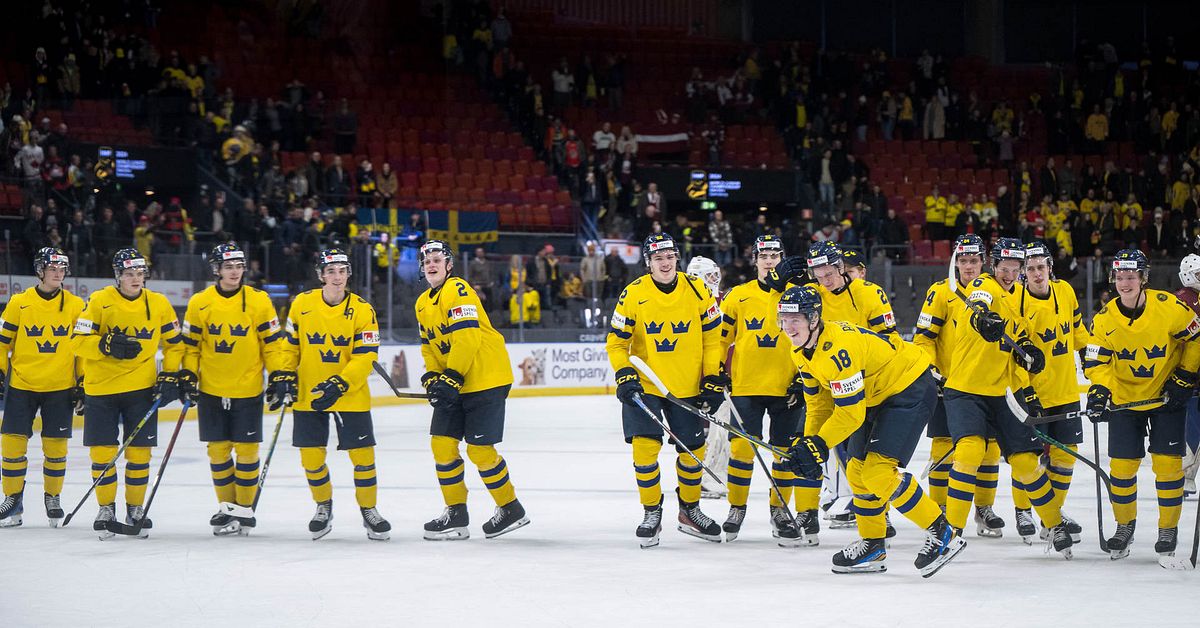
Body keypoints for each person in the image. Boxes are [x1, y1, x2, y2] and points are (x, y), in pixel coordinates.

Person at [779, 285, 963, 577]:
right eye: (783, 319)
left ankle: (944, 534)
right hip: (876, 396)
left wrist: (819, 444)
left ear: (814, 319)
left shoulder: (836, 349)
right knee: (856, 472)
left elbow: (850, 414)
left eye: (795, 319)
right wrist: (809, 444)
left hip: (908, 387)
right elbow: (818, 405)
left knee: (878, 473)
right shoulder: (800, 351)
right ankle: (873, 545)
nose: (788, 327)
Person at [939, 237, 1074, 558]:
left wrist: (1030, 353)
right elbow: (979, 304)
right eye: (1004, 267)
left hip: (1004, 394)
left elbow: (1022, 338)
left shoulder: (1021, 299)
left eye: (1016, 269)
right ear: (993, 265)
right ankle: (949, 534)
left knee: (1027, 463)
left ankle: (1054, 524)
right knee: (970, 451)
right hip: (966, 389)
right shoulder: (983, 285)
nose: (1010, 274)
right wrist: (981, 316)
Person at [768, 240, 898, 528]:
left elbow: (890, 341)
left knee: (861, 456)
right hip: (824, 384)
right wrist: (776, 281)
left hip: (868, 387)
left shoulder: (869, 293)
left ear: (841, 267)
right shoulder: (810, 295)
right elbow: (781, 320)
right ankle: (807, 512)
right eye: (818, 274)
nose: (825, 280)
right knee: (812, 444)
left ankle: (880, 512)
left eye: (829, 273)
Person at [607, 233, 725, 548]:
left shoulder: (697, 288)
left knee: (693, 452)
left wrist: (712, 377)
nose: (666, 262)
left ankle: (689, 510)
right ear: (648, 262)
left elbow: (713, 338)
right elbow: (616, 343)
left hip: (687, 386)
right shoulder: (633, 294)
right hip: (646, 386)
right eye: (658, 258)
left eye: (670, 256)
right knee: (644, 450)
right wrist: (624, 374)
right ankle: (651, 512)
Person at [1085, 249, 1200, 562]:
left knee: (1168, 467)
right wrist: (1098, 390)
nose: (1125, 282)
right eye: (1120, 277)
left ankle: (1168, 529)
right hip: (1125, 401)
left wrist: (1184, 377)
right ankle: (1125, 525)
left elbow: (1195, 338)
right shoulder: (1105, 318)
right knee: (1121, 469)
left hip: (1166, 398)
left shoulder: (1169, 308)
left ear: (1143, 278)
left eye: (1131, 276)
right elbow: (1096, 361)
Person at [415, 240, 528, 540]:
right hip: (456, 382)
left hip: (485, 378)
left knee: (479, 449)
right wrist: (432, 376)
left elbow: (467, 337)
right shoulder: (422, 303)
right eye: (426, 260)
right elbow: (428, 345)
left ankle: (510, 508)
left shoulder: (459, 289)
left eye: (437, 259)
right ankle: (456, 514)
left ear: (449, 265)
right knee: (442, 445)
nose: (431, 264)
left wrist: (450, 375)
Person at [71, 248, 185, 539]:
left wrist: (170, 373)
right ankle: (106, 507)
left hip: (141, 390)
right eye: (129, 274)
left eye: (140, 273)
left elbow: (175, 344)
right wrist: (105, 344)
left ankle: (135, 508)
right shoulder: (99, 301)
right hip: (101, 390)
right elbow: (76, 342)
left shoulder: (158, 303)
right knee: (102, 454)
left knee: (139, 454)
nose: (136, 279)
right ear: (118, 276)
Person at [278, 248, 388, 541]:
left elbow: (366, 357)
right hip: (309, 393)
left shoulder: (363, 309)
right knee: (311, 458)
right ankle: (323, 506)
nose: (337, 277)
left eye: (342, 271)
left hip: (349, 394)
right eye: (331, 272)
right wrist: (284, 374)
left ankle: (369, 510)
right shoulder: (301, 304)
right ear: (321, 275)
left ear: (348, 273)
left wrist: (340, 383)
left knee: (363, 457)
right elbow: (290, 346)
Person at [179, 243, 286, 536]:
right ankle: (227, 509)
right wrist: (187, 374)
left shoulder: (259, 301)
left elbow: (272, 344)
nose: (235, 272)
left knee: (248, 451)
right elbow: (191, 347)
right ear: (216, 269)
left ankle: (244, 508)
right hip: (212, 389)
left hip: (248, 389)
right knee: (217, 452)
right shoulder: (200, 302)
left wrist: (278, 375)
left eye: (239, 266)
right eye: (229, 267)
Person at [716, 236, 810, 545]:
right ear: (754, 259)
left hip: (788, 387)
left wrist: (804, 376)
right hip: (746, 386)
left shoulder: (800, 295)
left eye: (775, 255)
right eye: (764, 255)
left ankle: (779, 510)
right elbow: (719, 338)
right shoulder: (738, 296)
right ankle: (736, 508)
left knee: (785, 453)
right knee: (742, 450)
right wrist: (715, 372)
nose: (769, 260)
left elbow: (814, 339)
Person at [0, 248, 85, 528]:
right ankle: (13, 500)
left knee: (56, 448)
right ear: (40, 271)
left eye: (62, 268)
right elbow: (2, 342)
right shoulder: (18, 302)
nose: (58, 273)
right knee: (12, 446)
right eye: (52, 268)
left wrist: (83, 381)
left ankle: (53, 497)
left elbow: (82, 348)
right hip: (22, 386)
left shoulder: (76, 305)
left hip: (60, 388)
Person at [1016, 241, 1088, 543]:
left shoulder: (1066, 292)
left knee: (1065, 457)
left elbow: (1079, 333)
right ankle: (1023, 510)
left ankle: (1053, 514)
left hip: (1065, 390)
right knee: (1027, 457)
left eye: (1040, 267)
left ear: (1049, 268)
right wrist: (1024, 390)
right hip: (1032, 394)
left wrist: (1093, 363)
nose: (1036, 273)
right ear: (1023, 273)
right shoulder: (1014, 301)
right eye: (1030, 269)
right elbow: (1012, 354)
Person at [1174, 254, 1200, 498]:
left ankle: (1185, 475)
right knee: (1192, 427)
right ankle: (1184, 475)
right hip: (1188, 376)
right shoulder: (1183, 301)